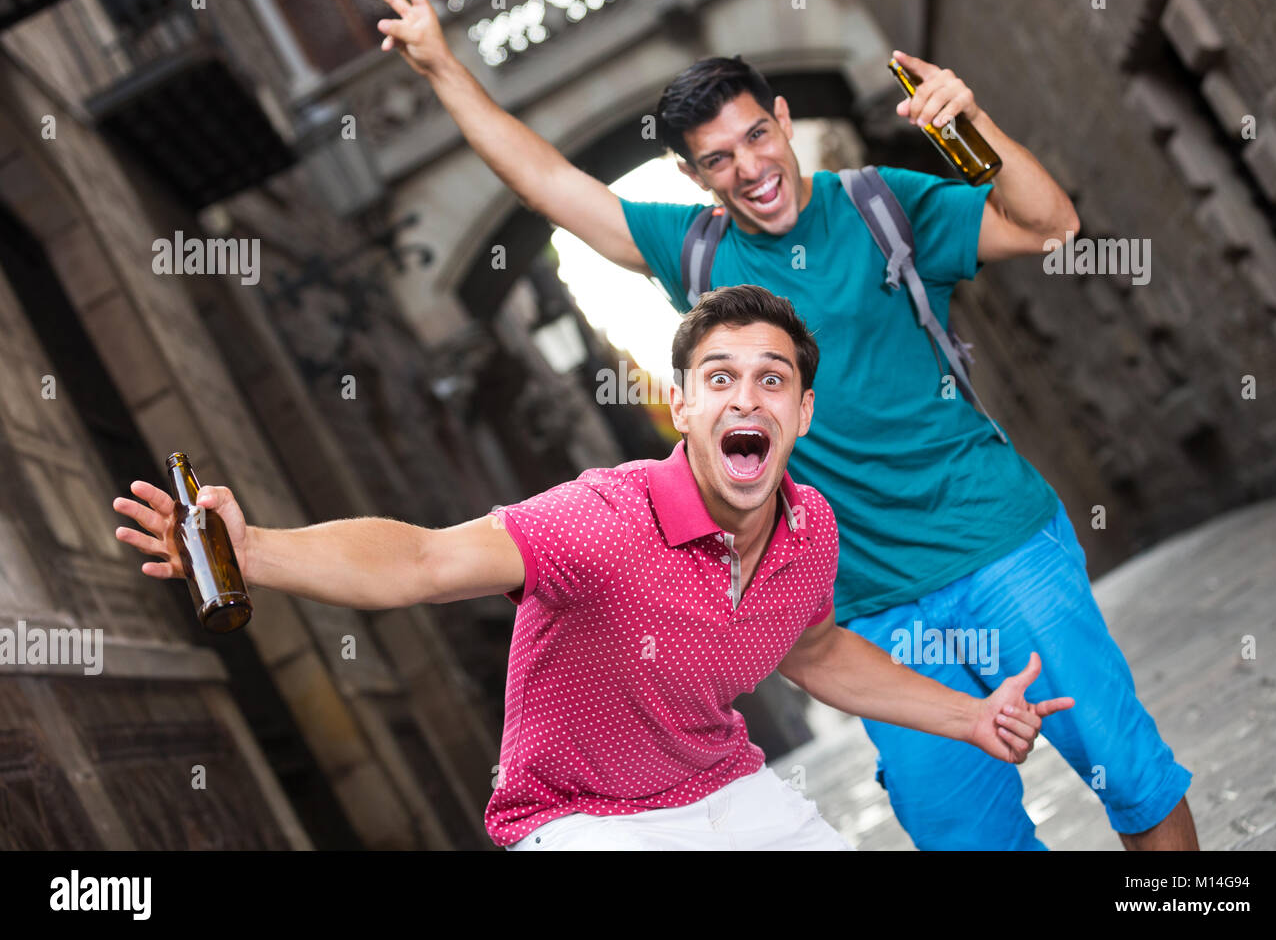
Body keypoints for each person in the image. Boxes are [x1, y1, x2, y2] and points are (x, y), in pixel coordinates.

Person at [363, 0, 1198, 851]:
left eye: (758, 135)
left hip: (999, 545)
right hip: (871, 613)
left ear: (785, 122)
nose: (751, 166)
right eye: (718, 158)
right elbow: (550, 185)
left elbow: (1050, 225)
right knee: (966, 838)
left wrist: (974, 123)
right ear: (693, 174)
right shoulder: (691, 252)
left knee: (1130, 775)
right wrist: (443, 69)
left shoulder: (883, 205)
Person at [112, 285, 1072, 850]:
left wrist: (968, 714)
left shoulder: (811, 528)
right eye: (720, 378)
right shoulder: (600, 518)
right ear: (685, 410)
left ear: (802, 415)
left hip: (725, 793)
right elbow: (423, 557)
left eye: (772, 378)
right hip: (581, 822)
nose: (749, 396)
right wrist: (263, 549)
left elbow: (816, 653)